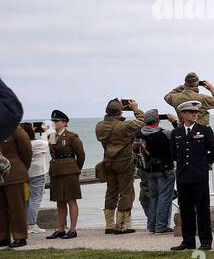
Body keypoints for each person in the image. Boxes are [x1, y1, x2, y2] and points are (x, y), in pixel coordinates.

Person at [170, 100, 214, 251]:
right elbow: (173, 153)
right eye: (191, 112)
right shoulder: (176, 133)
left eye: (196, 112)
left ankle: (205, 241)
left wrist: (204, 164)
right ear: (183, 114)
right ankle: (188, 241)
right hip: (183, 176)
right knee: (186, 210)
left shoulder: (204, 130)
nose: (195, 114)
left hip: (199, 176)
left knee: (202, 209)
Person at [95, 98, 144, 234]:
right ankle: (121, 225)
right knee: (126, 193)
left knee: (111, 193)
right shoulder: (124, 126)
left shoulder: (99, 126)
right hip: (125, 163)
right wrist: (135, 109)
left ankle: (109, 225)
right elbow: (142, 121)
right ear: (120, 112)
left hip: (108, 162)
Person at [44, 111, 85, 239]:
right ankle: (60, 229)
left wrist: (75, 169)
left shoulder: (72, 136)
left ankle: (72, 230)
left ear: (65, 123)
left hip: (69, 171)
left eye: (57, 121)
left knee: (71, 200)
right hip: (56, 171)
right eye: (53, 122)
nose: (54, 123)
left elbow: (81, 155)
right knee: (59, 201)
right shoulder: (52, 136)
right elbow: (52, 153)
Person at [138, 109, 177, 235]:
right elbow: (179, 135)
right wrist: (174, 121)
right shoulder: (164, 134)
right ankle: (161, 226)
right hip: (165, 169)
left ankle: (152, 225)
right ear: (157, 121)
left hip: (148, 170)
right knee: (164, 198)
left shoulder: (139, 134)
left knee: (153, 197)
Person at [0, 124, 32, 247]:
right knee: (1, 208)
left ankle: (20, 236)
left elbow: (27, 151)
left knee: (16, 207)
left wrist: (21, 168)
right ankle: (3, 237)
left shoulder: (15, 128)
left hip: (14, 174)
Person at [23, 122, 49, 236]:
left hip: (25, 174)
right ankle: (32, 225)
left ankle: (26, 224)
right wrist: (46, 130)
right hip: (38, 174)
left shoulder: (23, 144)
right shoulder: (38, 144)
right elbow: (50, 142)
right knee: (36, 200)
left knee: (27, 200)